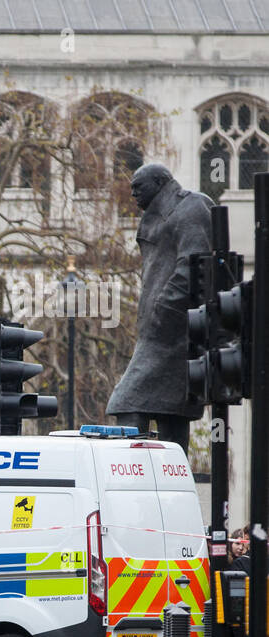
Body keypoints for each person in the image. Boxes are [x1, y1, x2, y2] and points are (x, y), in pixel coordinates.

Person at [108, 163, 214, 453]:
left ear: (159, 182)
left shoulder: (190, 206)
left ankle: (132, 474)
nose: (133, 194)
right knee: (171, 411)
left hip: (175, 332)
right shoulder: (159, 215)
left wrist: (162, 310)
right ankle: (171, 477)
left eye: (138, 187)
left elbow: (194, 266)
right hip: (161, 333)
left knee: (126, 401)